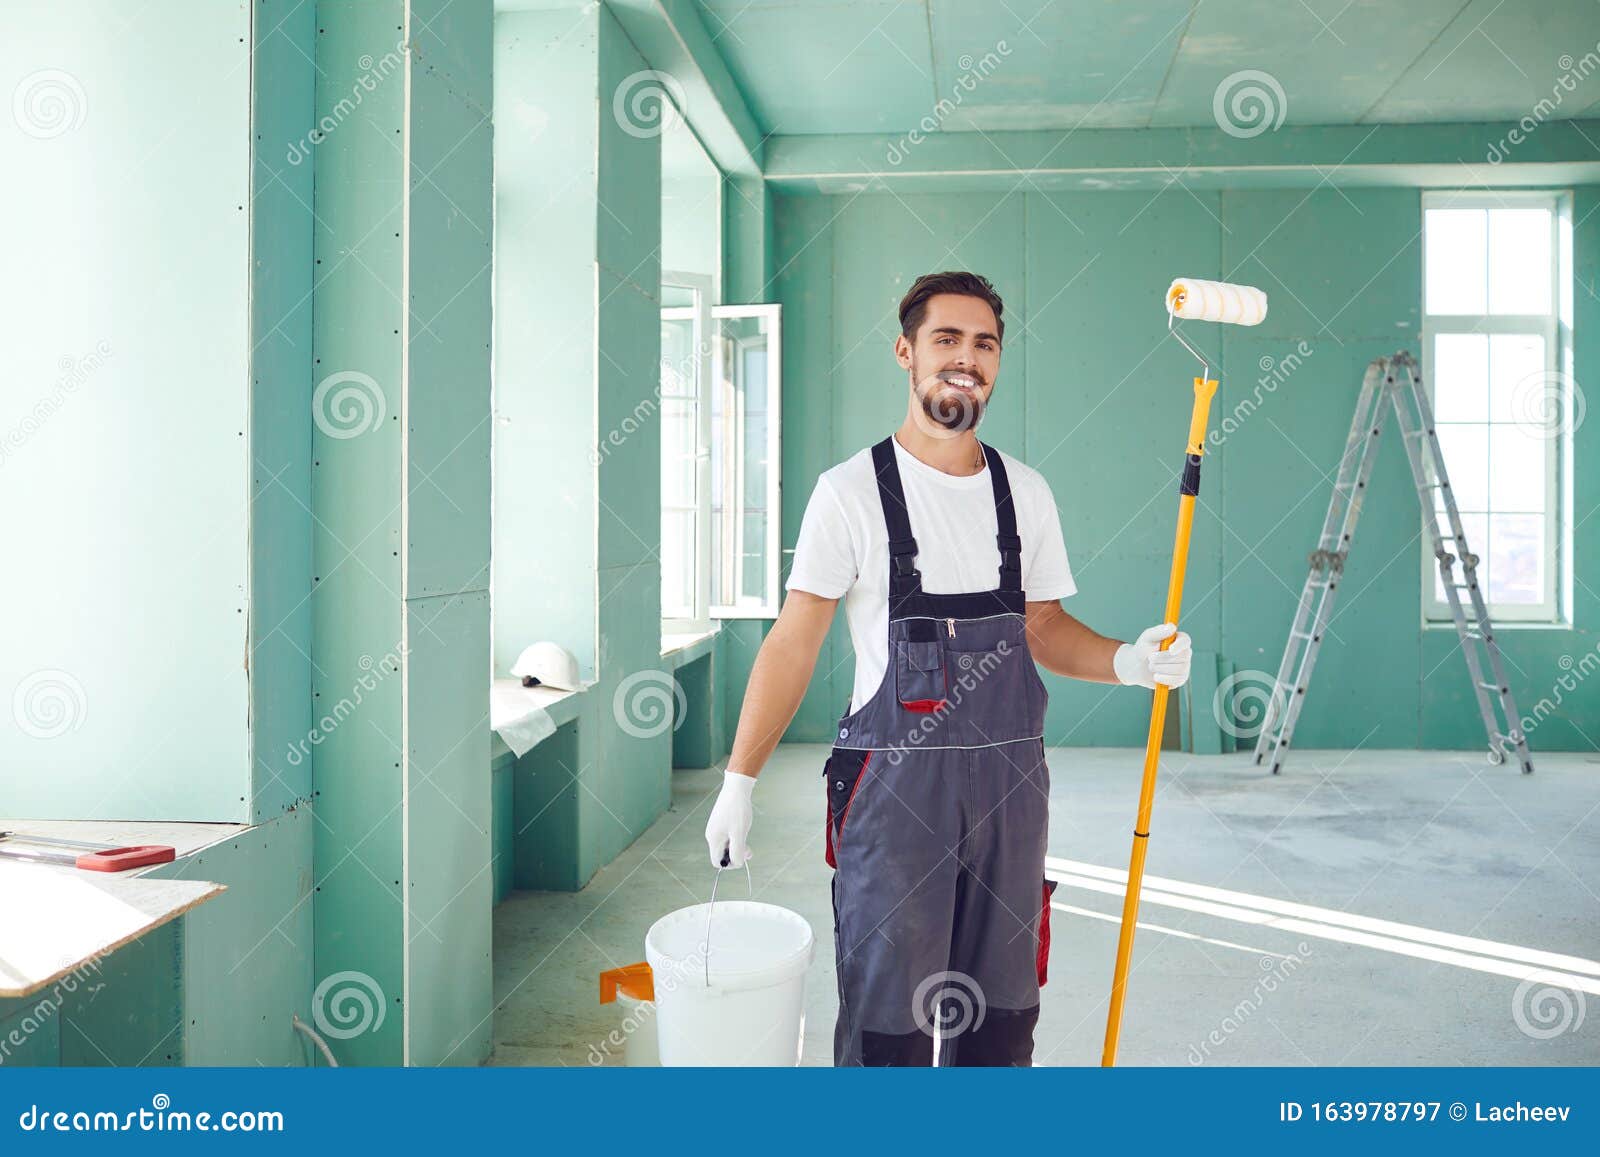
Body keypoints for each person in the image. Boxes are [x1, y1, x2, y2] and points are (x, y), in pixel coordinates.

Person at [704, 270, 1192, 1066]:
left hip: (1010, 804)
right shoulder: (849, 494)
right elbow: (794, 641)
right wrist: (740, 777)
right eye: (947, 339)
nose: (967, 358)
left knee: (1000, 1029)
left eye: (984, 344)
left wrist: (1129, 661)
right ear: (906, 351)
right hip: (894, 805)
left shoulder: (1023, 494)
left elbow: (1044, 626)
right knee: (888, 1030)